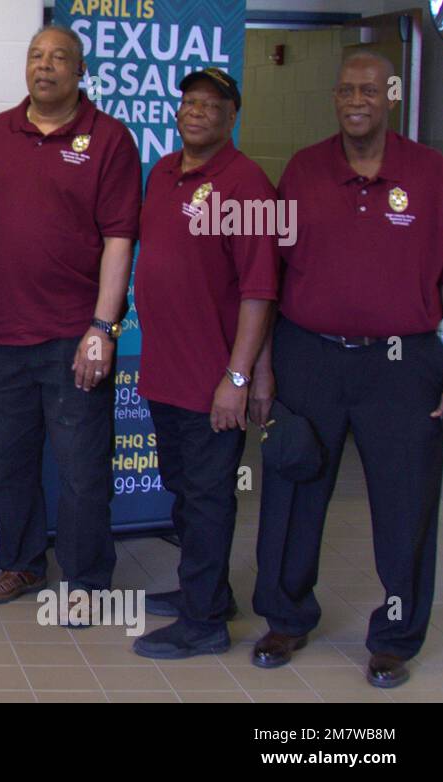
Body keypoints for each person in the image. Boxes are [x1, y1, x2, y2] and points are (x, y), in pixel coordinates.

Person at [251, 51, 443, 688]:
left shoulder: (431, 173)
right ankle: (285, 619)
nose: (356, 100)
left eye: (368, 89)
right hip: (308, 354)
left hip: (403, 364)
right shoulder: (304, 171)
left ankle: (394, 637)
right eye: (345, 90)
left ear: (390, 95)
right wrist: (263, 366)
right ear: (335, 99)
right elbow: (270, 276)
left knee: (405, 503)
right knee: (292, 489)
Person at [0, 26, 141, 610]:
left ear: (80, 70)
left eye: (59, 58)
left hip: (75, 334)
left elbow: (120, 239)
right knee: (8, 466)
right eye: (36, 57)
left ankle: (88, 582)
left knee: (82, 471)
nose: (45, 67)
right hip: (5, 337)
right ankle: (21, 566)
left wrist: (103, 328)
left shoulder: (110, 139)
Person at [128, 69, 278, 659]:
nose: (197, 111)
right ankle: (208, 592)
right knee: (184, 491)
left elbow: (260, 290)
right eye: (189, 101)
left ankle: (205, 624)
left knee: (210, 497)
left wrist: (239, 378)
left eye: (212, 105)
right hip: (165, 373)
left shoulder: (249, 185)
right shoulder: (163, 172)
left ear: (232, 115)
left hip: (214, 380)